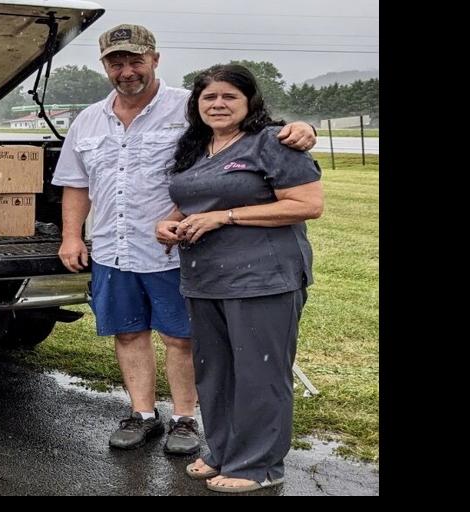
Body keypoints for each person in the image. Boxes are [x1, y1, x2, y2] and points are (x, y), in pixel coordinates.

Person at [52, 24, 316, 456]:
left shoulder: (189, 108)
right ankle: (141, 414)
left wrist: (300, 129)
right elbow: (75, 185)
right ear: (104, 66)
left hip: (175, 249)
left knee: (182, 337)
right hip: (112, 248)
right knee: (128, 332)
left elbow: (245, 132)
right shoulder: (88, 120)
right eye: (116, 63)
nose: (127, 71)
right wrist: (70, 236)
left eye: (136, 61)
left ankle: (184, 418)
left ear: (155, 59)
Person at [155, 63, 323, 491]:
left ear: (250, 102)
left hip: (263, 278)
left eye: (229, 96)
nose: (218, 104)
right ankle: (224, 452)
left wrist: (224, 217)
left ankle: (259, 466)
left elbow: (307, 204)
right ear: (196, 104)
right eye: (209, 97)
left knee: (259, 373)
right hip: (204, 278)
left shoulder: (272, 142)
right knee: (215, 372)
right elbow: (194, 199)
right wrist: (168, 222)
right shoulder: (196, 147)